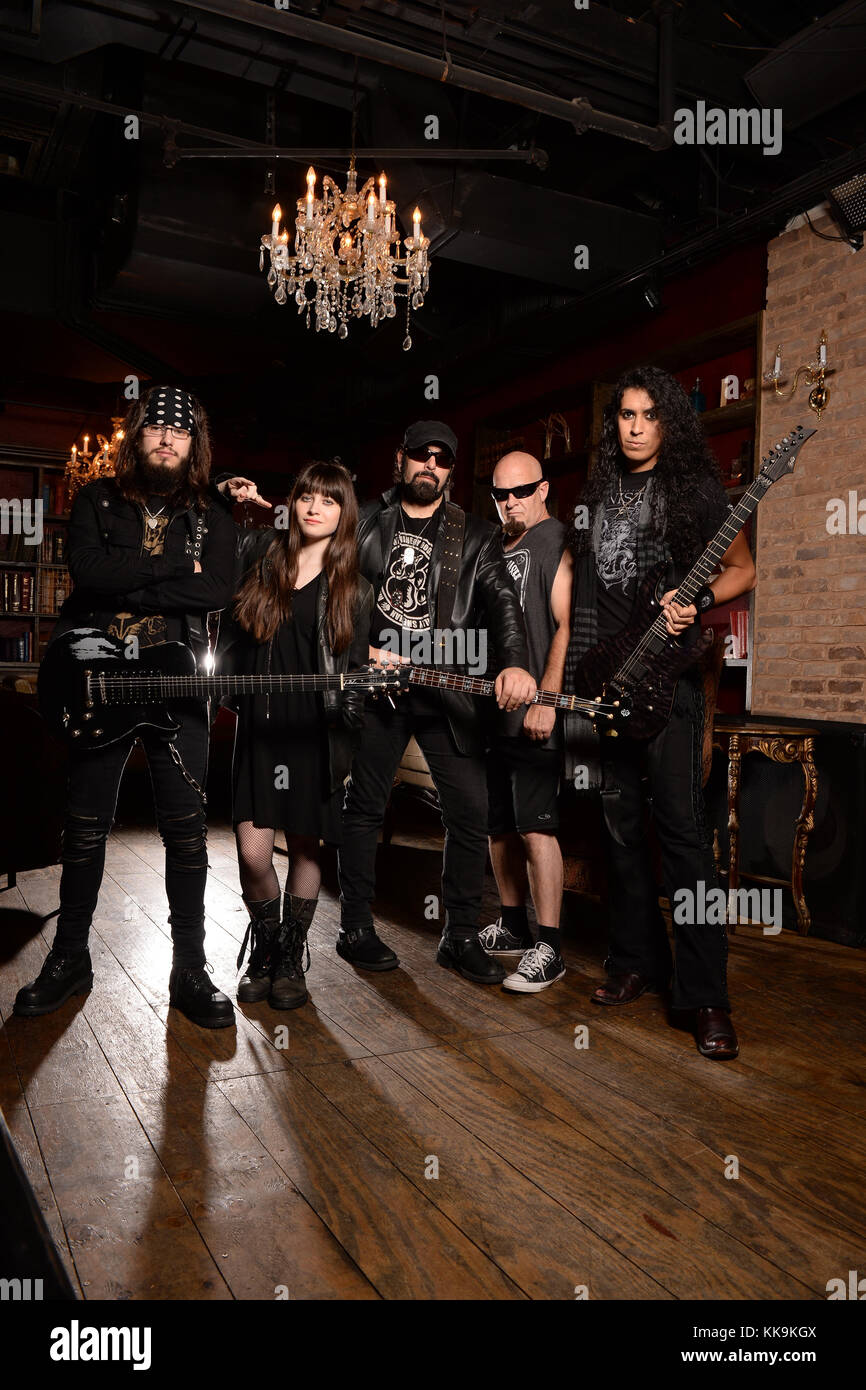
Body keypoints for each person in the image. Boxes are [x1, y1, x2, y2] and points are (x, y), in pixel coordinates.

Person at [15, 386, 238, 1029]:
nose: (168, 438)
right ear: (137, 435)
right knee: (84, 826)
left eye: (180, 431)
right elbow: (86, 571)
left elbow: (217, 587)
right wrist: (174, 572)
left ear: (193, 444)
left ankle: (190, 969)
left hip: (178, 685)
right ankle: (69, 957)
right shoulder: (94, 498)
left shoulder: (213, 516)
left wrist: (130, 571)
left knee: (187, 832)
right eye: (156, 428)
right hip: (97, 683)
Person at [564, 366, 756, 1059]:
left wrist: (697, 603)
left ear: (666, 422)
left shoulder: (694, 492)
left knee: (682, 835)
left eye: (648, 416)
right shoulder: (599, 492)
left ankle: (705, 996)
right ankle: (634, 960)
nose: (636, 427)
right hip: (610, 682)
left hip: (671, 681)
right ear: (613, 423)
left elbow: (743, 568)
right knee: (619, 829)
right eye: (625, 415)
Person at [217, 462, 373, 1010]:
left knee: (307, 847)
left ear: (343, 513)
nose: (314, 508)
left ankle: (288, 959)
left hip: (315, 733)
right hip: (260, 726)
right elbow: (232, 634)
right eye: (306, 496)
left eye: (328, 501)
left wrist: (346, 737)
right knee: (255, 853)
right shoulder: (263, 556)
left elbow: (353, 674)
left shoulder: (354, 586)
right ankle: (264, 947)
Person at [480, 451, 573, 993]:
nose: (510, 502)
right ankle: (513, 925)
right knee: (499, 825)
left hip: (537, 708)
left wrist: (549, 697)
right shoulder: (493, 546)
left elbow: (563, 624)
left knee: (536, 825)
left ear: (543, 489)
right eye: (500, 494)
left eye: (521, 491)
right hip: (491, 710)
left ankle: (551, 947)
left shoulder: (556, 542)